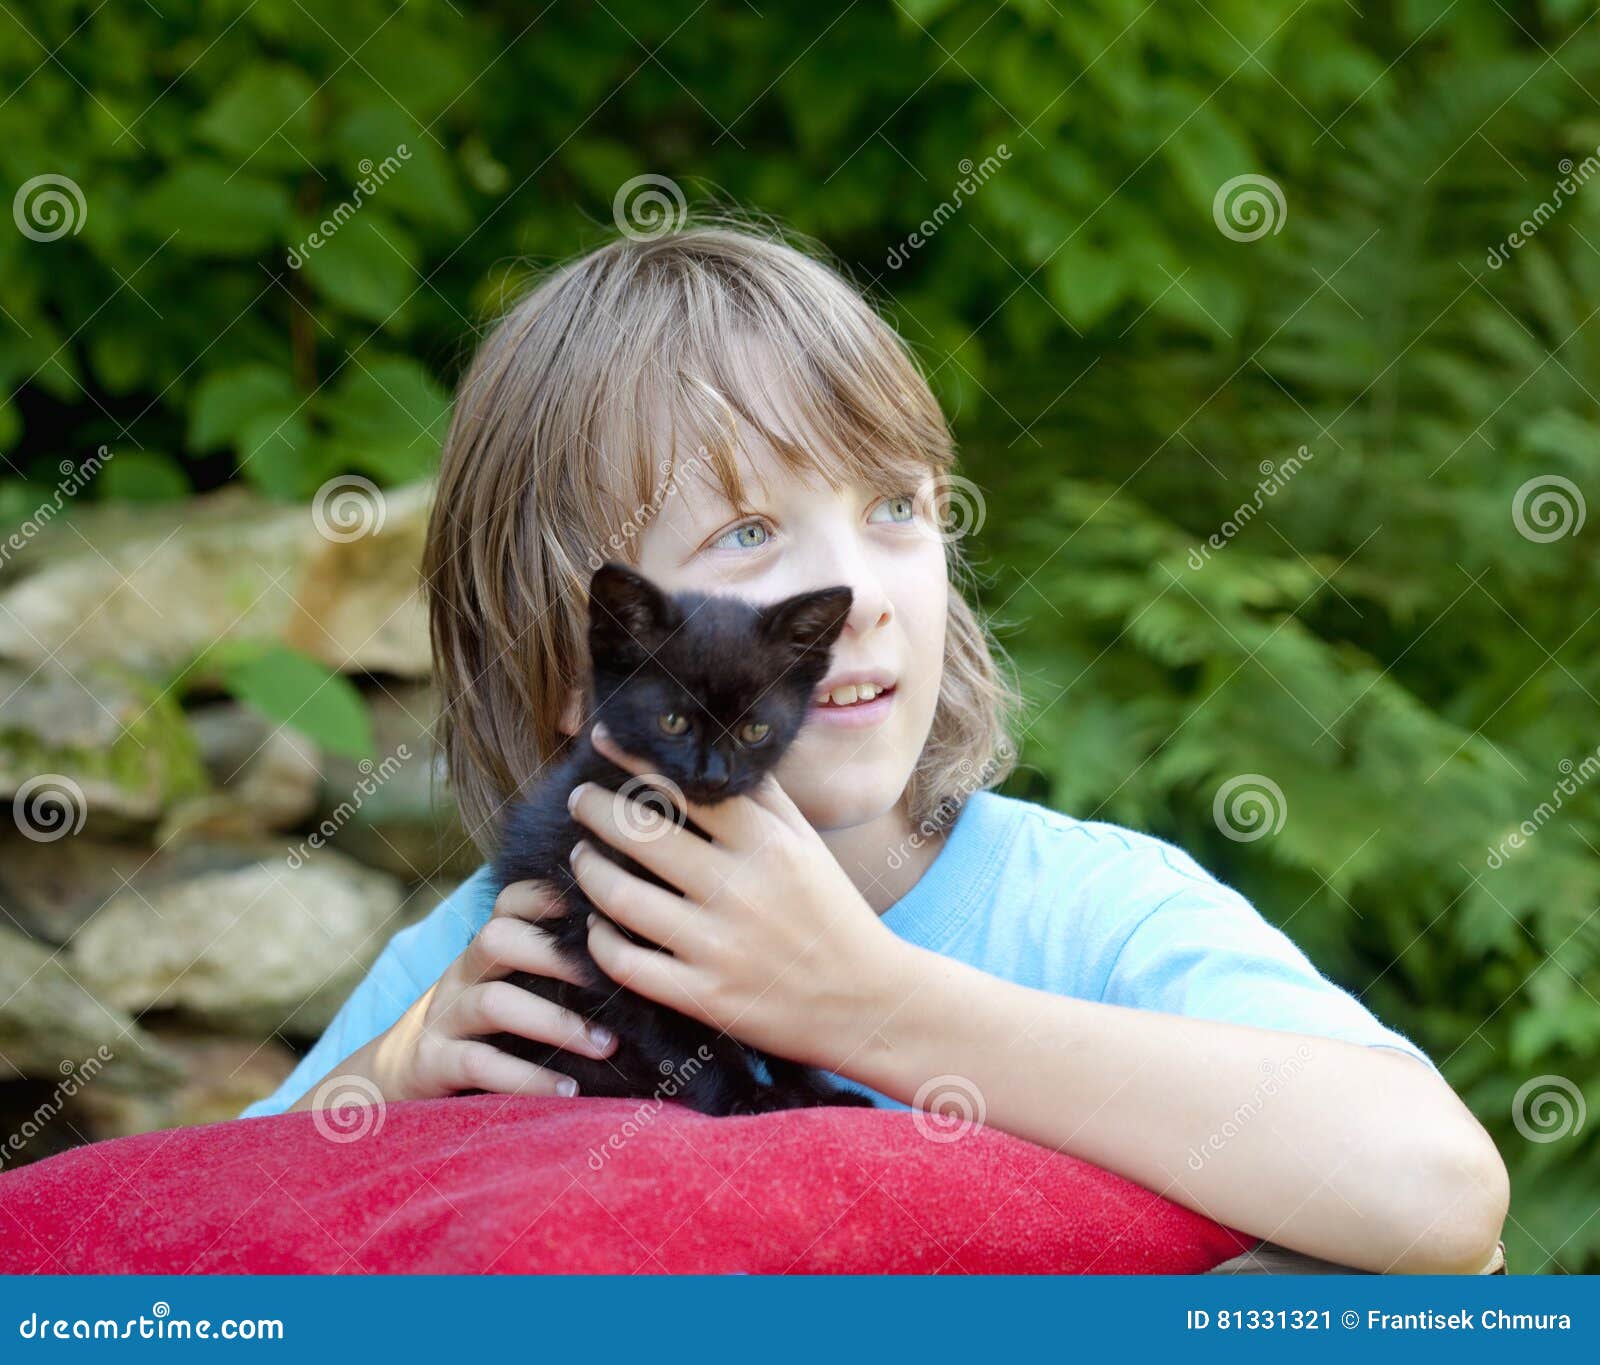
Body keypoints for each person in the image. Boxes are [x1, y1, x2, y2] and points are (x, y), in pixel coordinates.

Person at [239, 219, 1508, 1274]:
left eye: (897, 507)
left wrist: (868, 1003)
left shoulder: (1080, 915)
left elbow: (1440, 1196)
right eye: (746, 535)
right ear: (588, 667)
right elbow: (161, 1257)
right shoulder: (491, 953)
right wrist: (393, 1073)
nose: (860, 592)